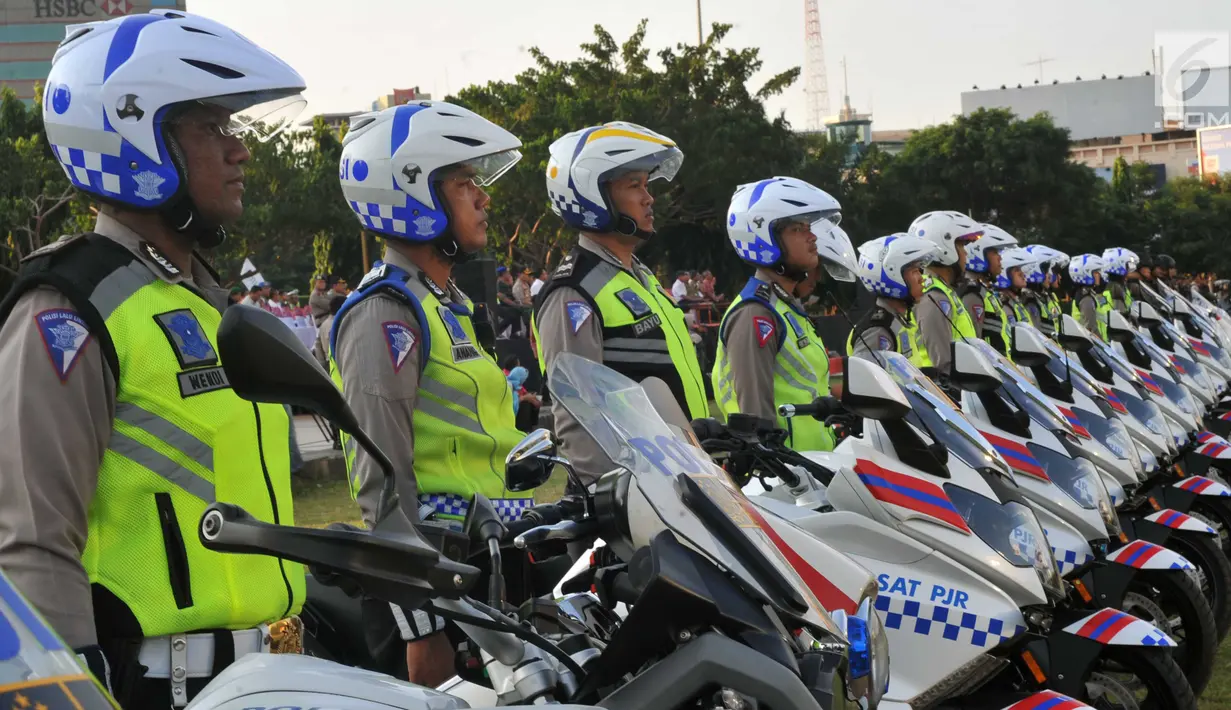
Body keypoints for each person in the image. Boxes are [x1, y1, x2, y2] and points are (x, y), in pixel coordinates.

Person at [0, 11, 307, 708]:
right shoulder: (69, 307)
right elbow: (30, 543)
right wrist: (69, 694)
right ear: (137, 141)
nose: (239, 151)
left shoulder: (201, 301)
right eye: (211, 128)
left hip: (266, 677)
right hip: (155, 687)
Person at [329, 100, 532, 687]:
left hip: (482, 564)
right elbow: (381, 487)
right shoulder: (385, 314)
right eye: (466, 182)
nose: (483, 197)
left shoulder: (448, 307)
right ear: (414, 192)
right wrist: (422, 629)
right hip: (430, 590)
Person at [533, 121, 707, 486]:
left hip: (682, 482)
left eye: (646, 185)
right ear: (593, 196)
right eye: (634, 186)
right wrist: (616, 503)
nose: (649, 197)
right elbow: (578, 421)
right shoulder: (574, 291)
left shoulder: (638, 278)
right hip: (637, 500)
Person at [710, 177, 858, 450]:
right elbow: (756, 423)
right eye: (797, 228)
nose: (812, 236)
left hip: (816, 468)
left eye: (808, 227)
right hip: (787, 481)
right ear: (766, 239)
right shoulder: (756, 314)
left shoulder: (784, 308)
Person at [846, 233, 940, 365]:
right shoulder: (878, 331)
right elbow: (868, 382)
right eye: (914, 272)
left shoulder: (898, 321)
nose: (921, 278)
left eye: (920, 271)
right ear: (892, 276)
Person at [909, 211, 984, 374]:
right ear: (944, 248)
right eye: (962, 246)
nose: (966, 253)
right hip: (950, 394)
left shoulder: (943, 291)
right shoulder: (934, 297)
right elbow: (943, 365)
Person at [959, 223, 1017, 353]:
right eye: (995, 252)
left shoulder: (984, 291)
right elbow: (975, 343)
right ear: (979, 254)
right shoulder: (972, 294)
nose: (1000, 257)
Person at [993, 248, 1040, 334]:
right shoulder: (1003, 303)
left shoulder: (1016, 301)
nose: (1022, 274)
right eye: (1017, 270)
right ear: (1004, 273)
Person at [1021, 245, 1065, 335]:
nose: (1049, 275)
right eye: (1045, 271)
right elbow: (1037, 336)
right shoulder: (1030, 300)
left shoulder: (1040, 296)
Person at [1069, 254, 1110, 340]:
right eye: (1096, 272)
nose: (1099, 275)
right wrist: (1103, 347)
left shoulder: (1087, 294)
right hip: (1094, 347)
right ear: (1086, 274)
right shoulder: (1086, 299)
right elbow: (1091, 329)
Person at [1101, 247, 1138, 314]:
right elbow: (1121, 314)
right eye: (1127, 266)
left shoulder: (1116, 285)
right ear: (1119, 266)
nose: (1129, 270)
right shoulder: (1115, 289)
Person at [314, 294, 346, 371]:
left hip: (328, 362)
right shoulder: (339, 324)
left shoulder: (324, 324)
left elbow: (317, 345)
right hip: (339, 362)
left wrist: (322, 363)